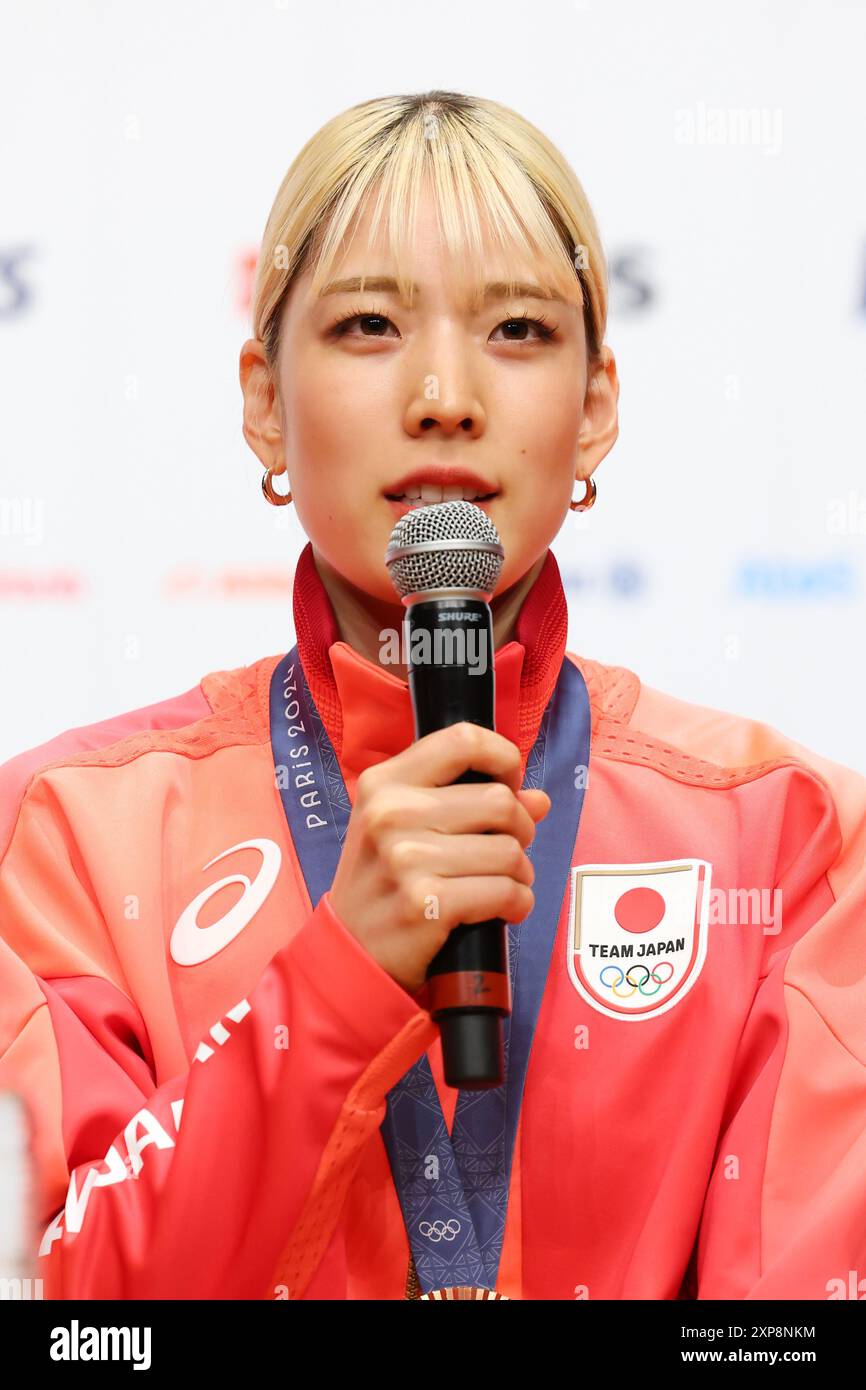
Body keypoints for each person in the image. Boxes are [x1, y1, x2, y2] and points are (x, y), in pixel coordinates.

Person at [1, 88, 864, 1302]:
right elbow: (75, 1306)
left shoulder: (788, 840)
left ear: (596, 410)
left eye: (515, 329)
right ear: (263, 402)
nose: (443, 393)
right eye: (366, 325)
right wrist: (340, 974)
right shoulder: (61, 835)